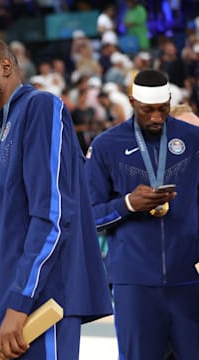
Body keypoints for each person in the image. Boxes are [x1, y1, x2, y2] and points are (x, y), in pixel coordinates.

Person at [0, 38, 112, 360]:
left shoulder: (41, 107)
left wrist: (20, 302)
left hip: (38, 305)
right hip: (8, 306)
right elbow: (9, 225)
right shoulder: (2, 128)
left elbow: (54, 214)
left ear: (5, 67)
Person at [85, 69, 199, 360]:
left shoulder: (193, 140)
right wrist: (128, 204)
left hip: (190, 278)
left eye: (163, 109)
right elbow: (88, 216)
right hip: (134, 282)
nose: (157, 118)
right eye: (148, 110)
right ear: (132, 101)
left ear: (171, 101)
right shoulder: (106, 145)